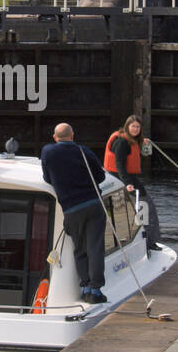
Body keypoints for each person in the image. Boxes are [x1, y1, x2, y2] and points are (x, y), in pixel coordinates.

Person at [40, 123, 108, 305]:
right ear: (72, 135)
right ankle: (95, 290)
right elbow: (100, 177)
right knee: (95, 247)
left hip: (71, 209)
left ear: (55, 138)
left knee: (80, 248)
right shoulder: (84, 151)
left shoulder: (48, 152)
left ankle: (85, 286)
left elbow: (47, 178)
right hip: (94, 204)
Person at [104, 115, 161, 251]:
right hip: (123, 178)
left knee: (138, 207)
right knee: (146, 205)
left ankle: (145, 240)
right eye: (133, 126)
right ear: (127, 126)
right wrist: (128, 183)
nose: (135, 129)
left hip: (124, 177)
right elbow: (120, 164)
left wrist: (143, 142)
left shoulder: (131, 140)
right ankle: (149, 241)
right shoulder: (121, 142)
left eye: (138, 127)